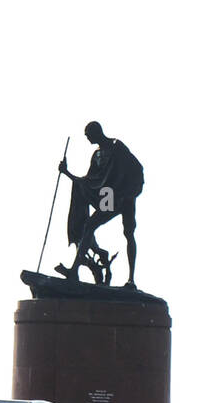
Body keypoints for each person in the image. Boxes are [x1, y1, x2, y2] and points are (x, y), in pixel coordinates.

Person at [55, 121, 144, 288]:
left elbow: (136, 170)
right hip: (109, 196)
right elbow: (89, 182)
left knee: (129, 233)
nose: (87, 139)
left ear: (96, 133)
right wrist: (66, 172)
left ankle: (131, 279)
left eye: (88, 135)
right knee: (89, 225)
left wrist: (129, 193)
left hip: (125, 196)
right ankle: (74, 271)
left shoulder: (117, 147)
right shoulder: (96, 155)